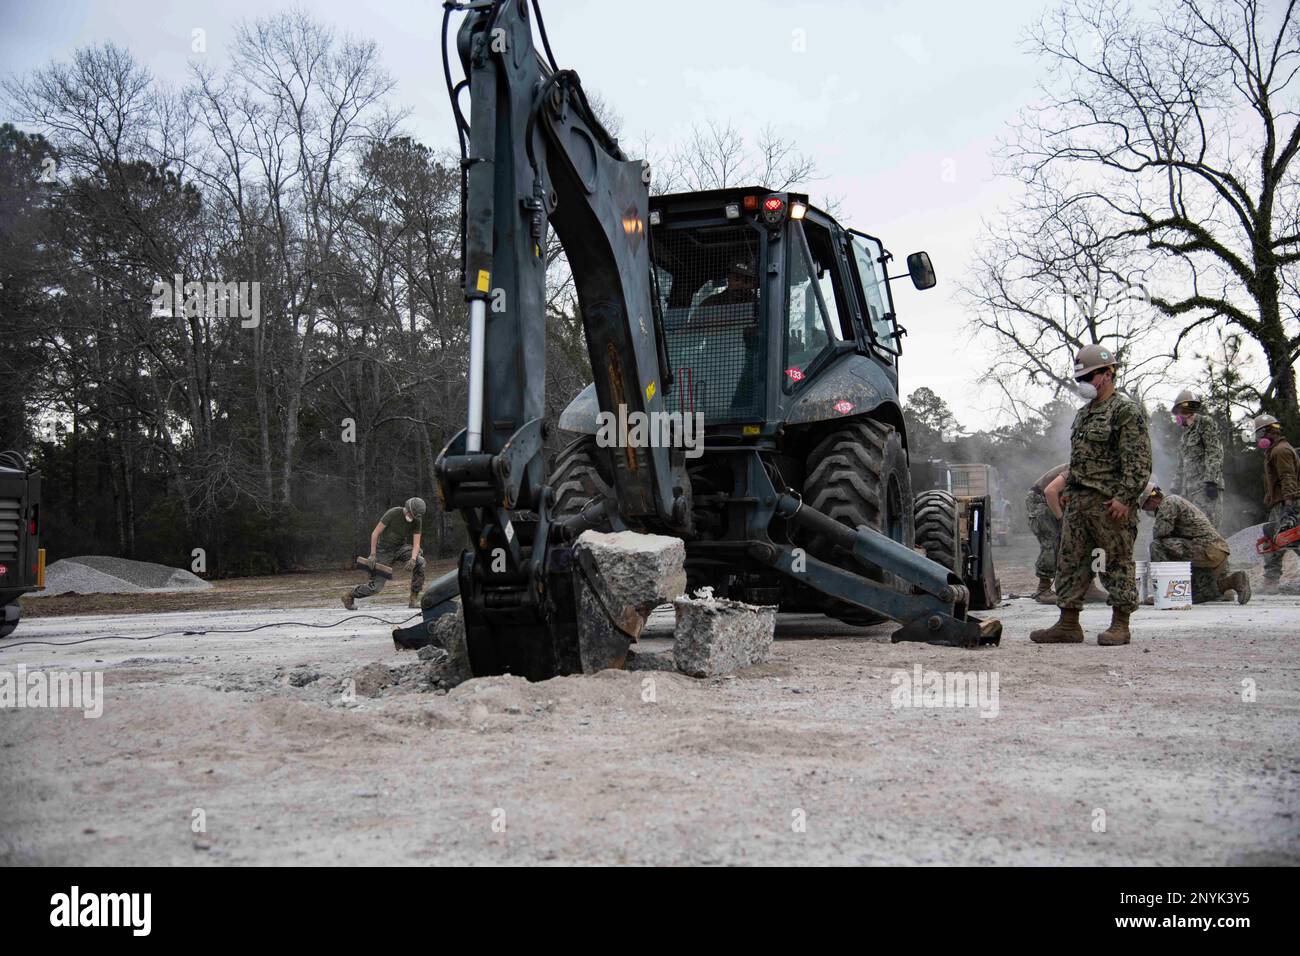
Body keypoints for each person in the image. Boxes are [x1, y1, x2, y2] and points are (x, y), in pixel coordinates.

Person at [1031, 344, 1152, 646]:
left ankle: (1120, 624)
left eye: (1089, 376)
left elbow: (1138, 461)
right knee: (1070, 563)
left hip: (1110, 504)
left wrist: (1125, 498)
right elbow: (1079, 460)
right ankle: (1068, 623)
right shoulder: (1083, 415)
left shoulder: (1125, 411)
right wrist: (1069, 492)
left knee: (1117, 563)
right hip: (1079, 503)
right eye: (1080, 378)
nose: (1084, 383)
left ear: (1108, 374)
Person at [1140, 482, 1250, 604]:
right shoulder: (1173, 501)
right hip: (1214, 553)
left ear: (1152, 499)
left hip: (1206, 551)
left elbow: (1160, 533)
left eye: (1144, 506)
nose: (1145, 510)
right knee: (1199, 595)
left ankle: (1165, 592)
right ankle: (1233, 581)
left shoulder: (1168, 503)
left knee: (1157, 546)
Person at [342, 497, 427, 610]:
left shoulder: (417, 520)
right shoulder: (393, 513)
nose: (412, 517)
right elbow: (375, 533)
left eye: (415, 516)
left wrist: (413, 559)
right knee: (376, 587)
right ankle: (349, 595)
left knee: (420, 561)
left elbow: (416, 544)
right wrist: (373, 554)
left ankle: (413, 599)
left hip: (401, 548)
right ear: (407, 509)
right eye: (411, 514)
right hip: (384, 551)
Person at [1255, 414, 1300, 594]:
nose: (1259, 440)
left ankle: (1270, 582)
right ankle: (1270, 582)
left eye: (1260, 435)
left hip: (1287, 503)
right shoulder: (1276, 450)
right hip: (1281, 503)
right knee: (1277, 542)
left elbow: (1287, 477)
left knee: (1288, 540)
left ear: (1268, 433)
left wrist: (1289, 506)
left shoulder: (1280, 451)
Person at [1172, 389, 1225, 529]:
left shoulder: (1205, 423)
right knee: (1192, 531)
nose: (1177, 417)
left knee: (1207, 528)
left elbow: (1214, 452)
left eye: (1178, 413)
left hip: (1205, 489)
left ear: (1184, 411)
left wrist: (1212, 481)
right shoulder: (1185, 436)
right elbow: (1180, 465)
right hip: (1189, 492)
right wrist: (1175, 488)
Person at [1026, 463, 1068, 603]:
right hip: (1041, 501)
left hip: (1054, 500)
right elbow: (1050, 492)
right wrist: (1061, 518)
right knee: (1051, 541)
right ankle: (1043, 589)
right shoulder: (1079, 468)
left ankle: (1081, 587)